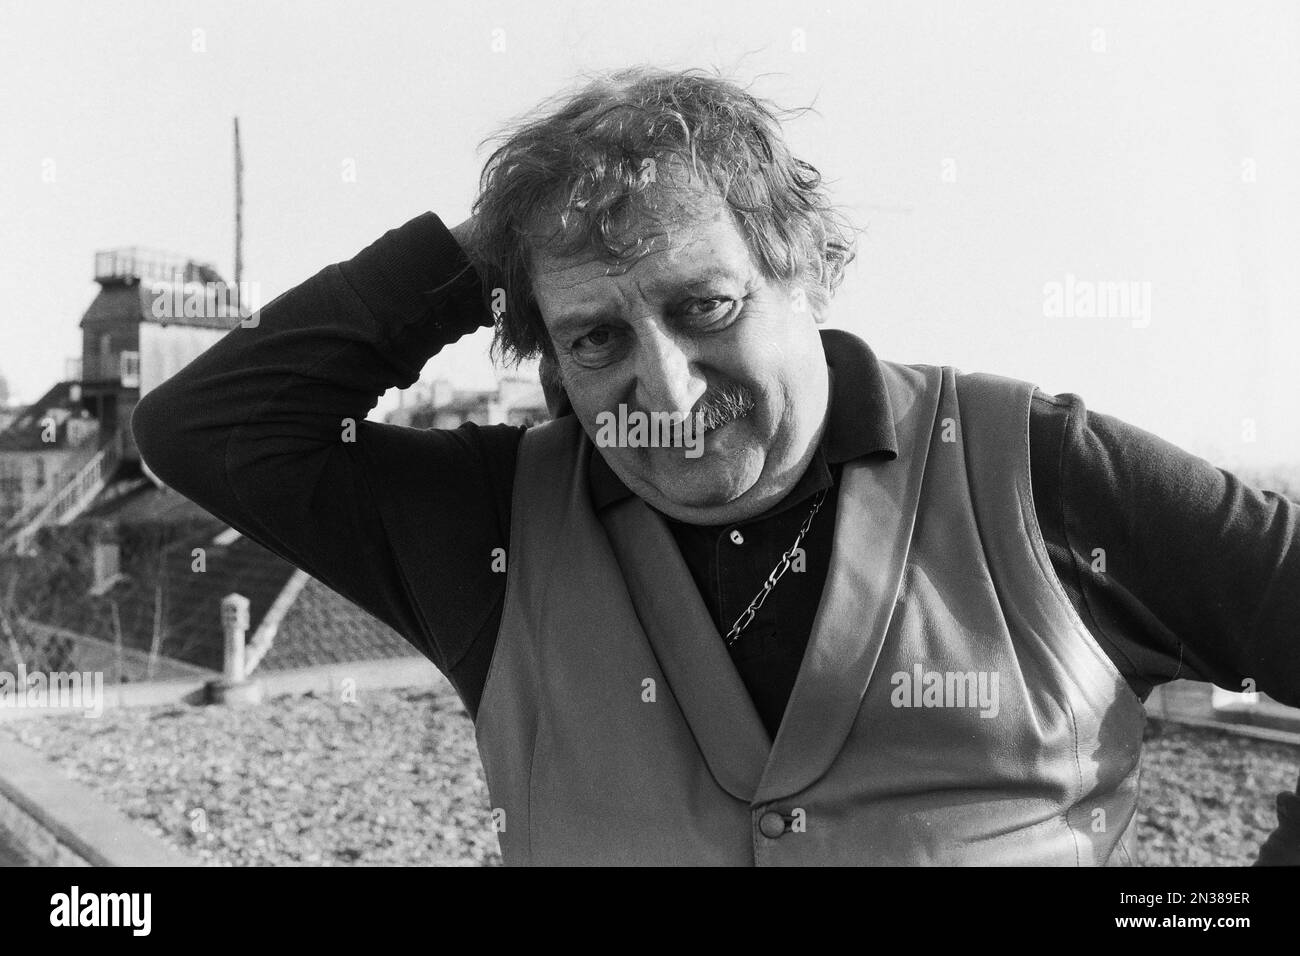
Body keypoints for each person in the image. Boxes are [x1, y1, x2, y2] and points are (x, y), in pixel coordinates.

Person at [131, 66, 1300, 866]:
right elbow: (209, 425)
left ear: (808, 267)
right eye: (594, 334)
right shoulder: (492, 528)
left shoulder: (1037, 474)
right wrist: (502, 242)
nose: (668, 387)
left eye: (705, 305)